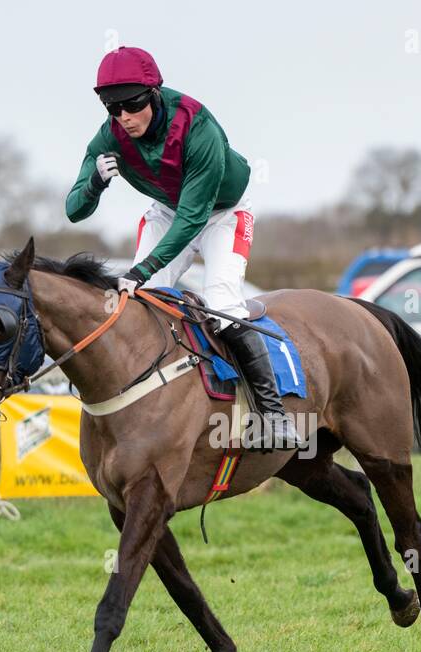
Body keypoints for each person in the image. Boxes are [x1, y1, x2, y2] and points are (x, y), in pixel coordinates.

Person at [65, 46, 298, 449]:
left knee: (222, 304)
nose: (124, 117)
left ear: (154, 93)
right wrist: (94, 184)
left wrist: (139, 272)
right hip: (167, 211)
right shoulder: (109, 136)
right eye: (112, 107)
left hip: (221, 214)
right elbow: (74, 211)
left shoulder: (198, 126)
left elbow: (193, 219)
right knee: (135, 305)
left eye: (132, 104)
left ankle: (271, 415)